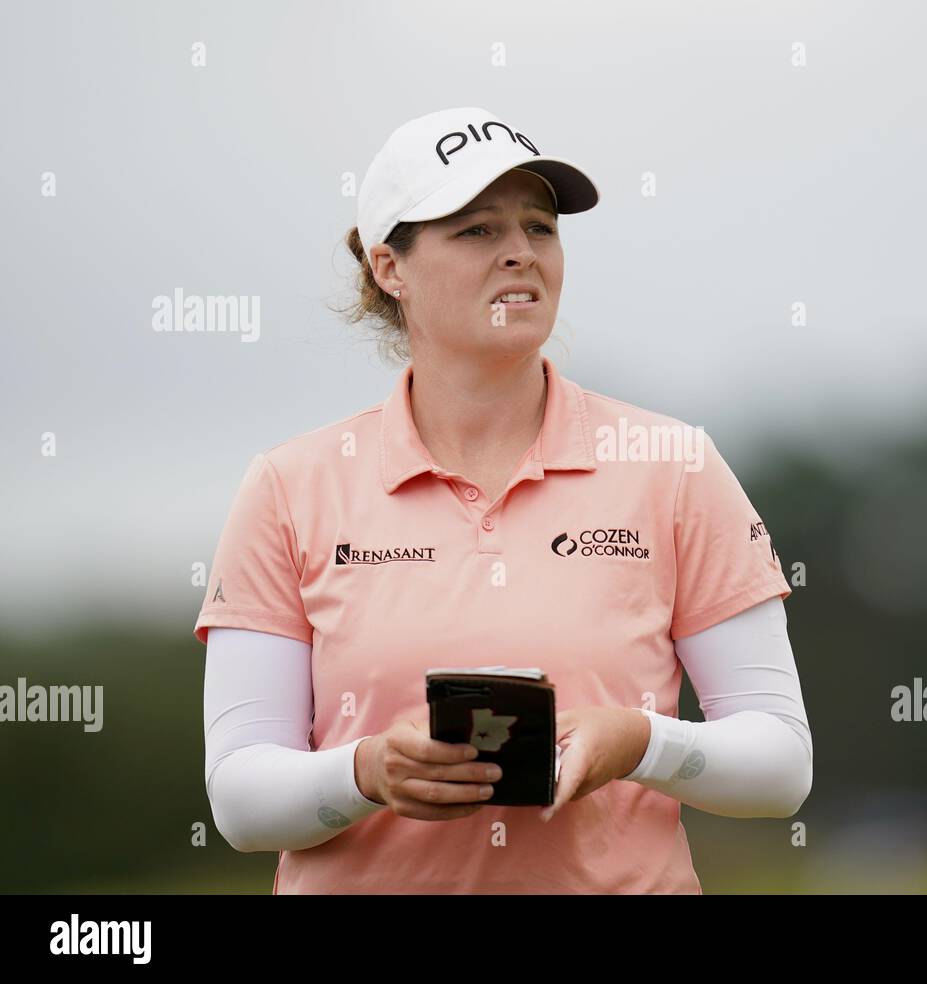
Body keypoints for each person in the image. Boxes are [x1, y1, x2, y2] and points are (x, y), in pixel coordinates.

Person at [194, 107, 812, 894]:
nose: (522, 253)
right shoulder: (288, 486)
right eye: (478, 232)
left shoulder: (674, 463)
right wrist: (367, 772)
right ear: (391, 268)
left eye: (540, 228)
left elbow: (781, 766)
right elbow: (243, 802)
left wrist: (639, 742)